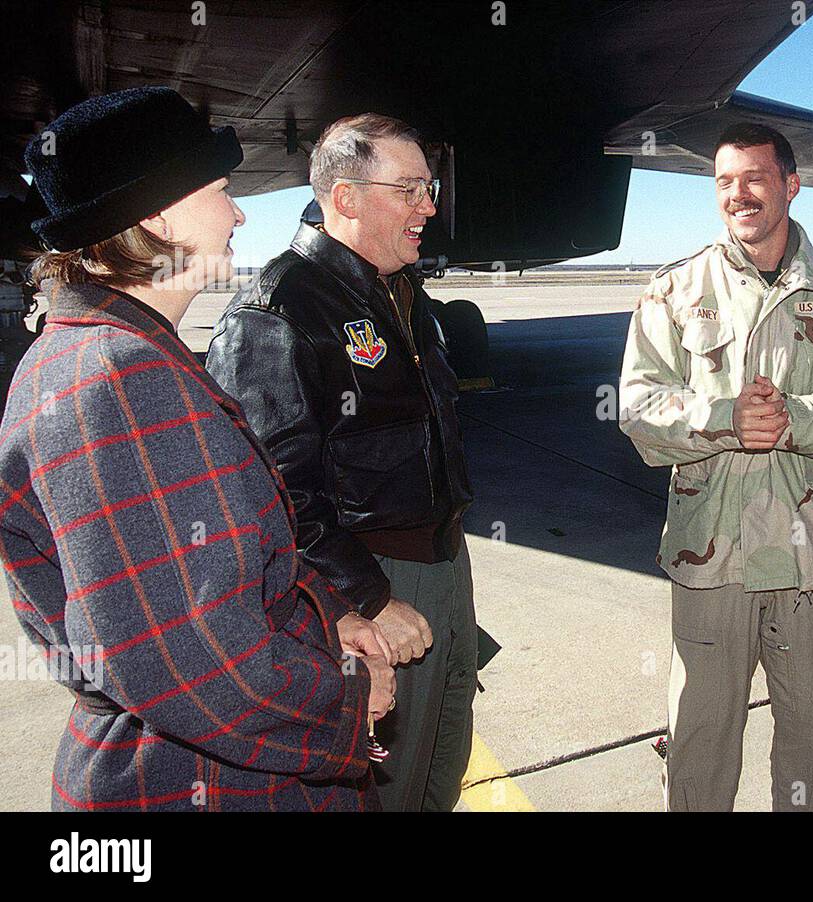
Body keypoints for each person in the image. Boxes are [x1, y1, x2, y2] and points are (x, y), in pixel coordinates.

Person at [0, 86, 395, 811]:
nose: (240, 212)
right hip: (207, 784)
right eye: (220, 190)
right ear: (155, 215)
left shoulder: (105, 352)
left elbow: (221, 576)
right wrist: (345, 699)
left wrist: (331, 614)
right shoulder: (122, 383)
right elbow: (194, 664)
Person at [619, 122, 813, 811]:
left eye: (753, 177)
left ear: (790, 184)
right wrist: (725, 420)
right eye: (724, 181)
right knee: (699, 736)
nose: (737, 194)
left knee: (812, 738)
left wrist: (794, 420)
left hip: (811, 557)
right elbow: (637, 409)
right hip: (710, 554)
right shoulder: (675, 289)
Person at [205, 113, 476, 812]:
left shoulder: (401, 291)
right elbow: (274, 493)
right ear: (347, 198)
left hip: (441, 562)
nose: (430, 206)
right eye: (410, 189)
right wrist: (370, 598)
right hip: (371, 580)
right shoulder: (276, 311)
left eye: (430, 186)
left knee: (439, 768)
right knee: (380, 785)